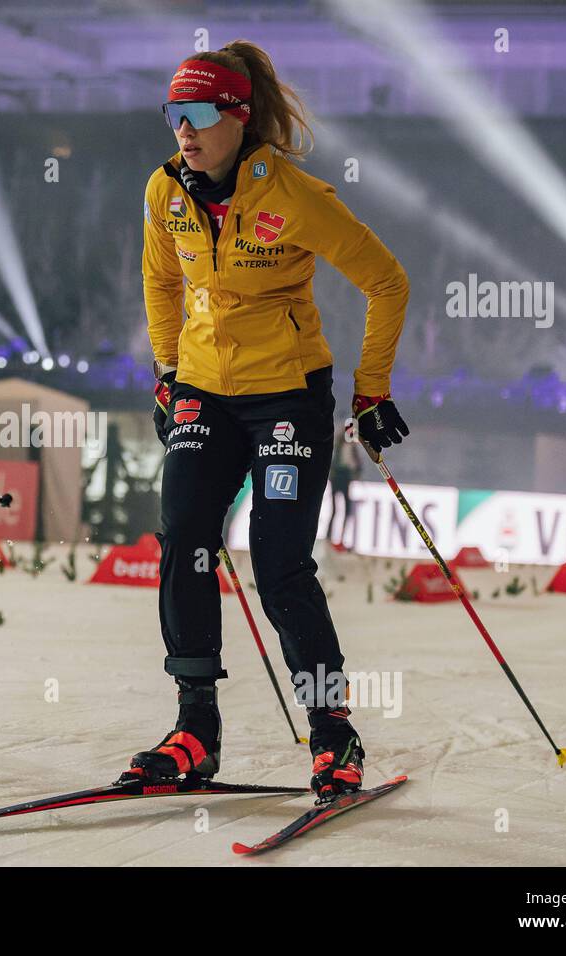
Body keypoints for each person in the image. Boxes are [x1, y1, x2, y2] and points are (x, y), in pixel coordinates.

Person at [128, 42, 411, 801]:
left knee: (279, 561)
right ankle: (195, 730)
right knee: (184, 537)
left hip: (287, 395)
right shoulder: (164, 191)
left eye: (199, 114)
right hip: (203, 391)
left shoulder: (292, 192)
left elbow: (387, 281)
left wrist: (371, 389)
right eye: (173, 114)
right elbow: (159, 279)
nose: (183, 129)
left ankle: (332, 733)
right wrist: (166, 372)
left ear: (238, 117)